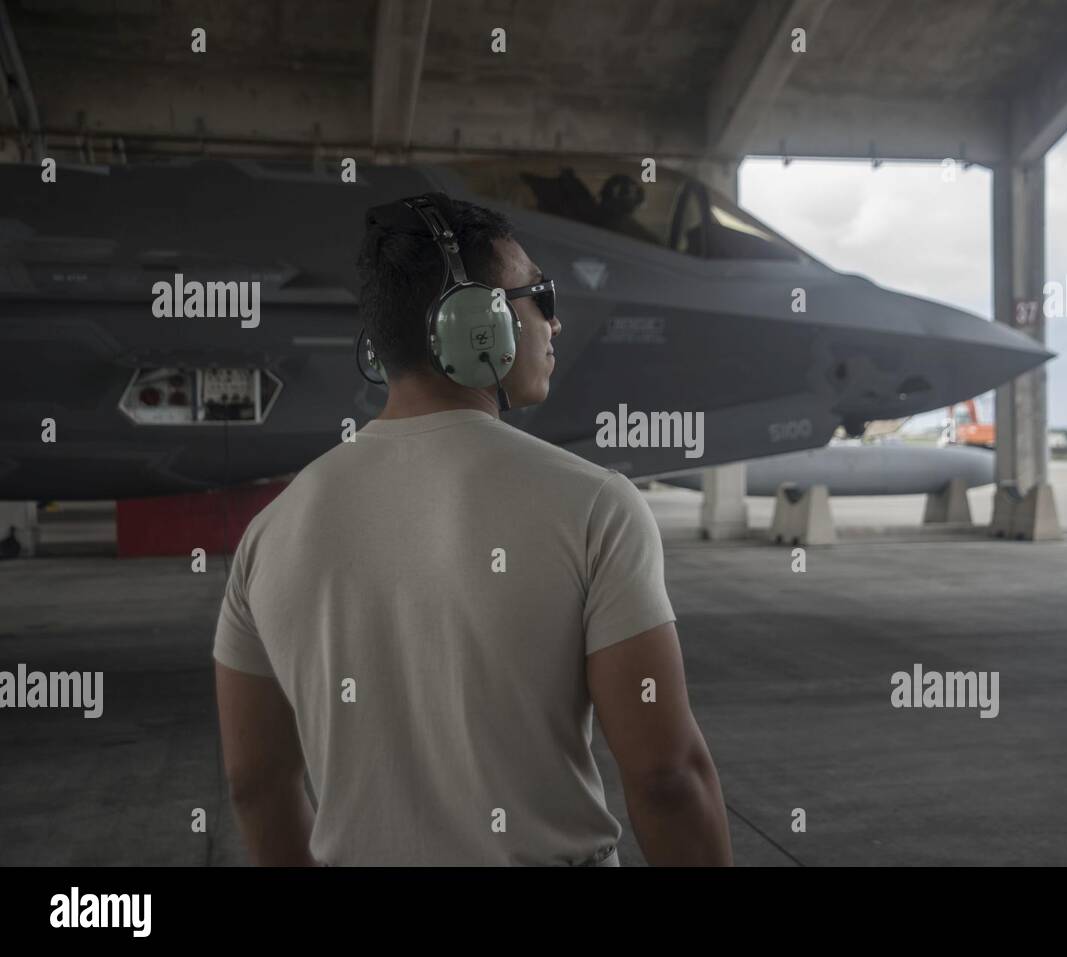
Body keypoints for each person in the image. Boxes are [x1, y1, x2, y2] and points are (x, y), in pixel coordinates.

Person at [212, 192, 731, 866]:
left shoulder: (270, 532)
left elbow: (254, 785)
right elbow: (667, 777)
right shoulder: (595, 504)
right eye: (538, 296)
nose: (554, 322)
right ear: (473, 323)